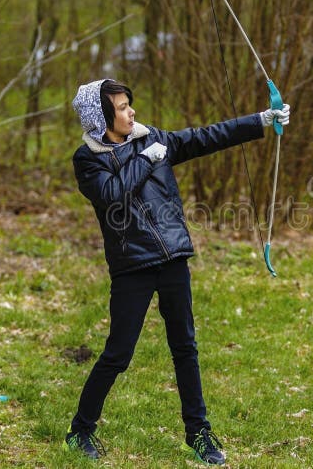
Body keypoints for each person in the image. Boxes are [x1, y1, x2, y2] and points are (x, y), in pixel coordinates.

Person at [63, 78, 290, 464]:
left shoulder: (153, 138)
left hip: (172, 258)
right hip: (132, 266)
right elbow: (111, 194)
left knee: (185, 348)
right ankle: (79, 430)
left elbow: (205, 137)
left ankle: (198, 433)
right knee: (118, 354)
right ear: (100, 117)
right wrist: (147, 158)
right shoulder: (88, 160)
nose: (130, 111)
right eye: (121, 107)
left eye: (128, 104)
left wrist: (262, 120)